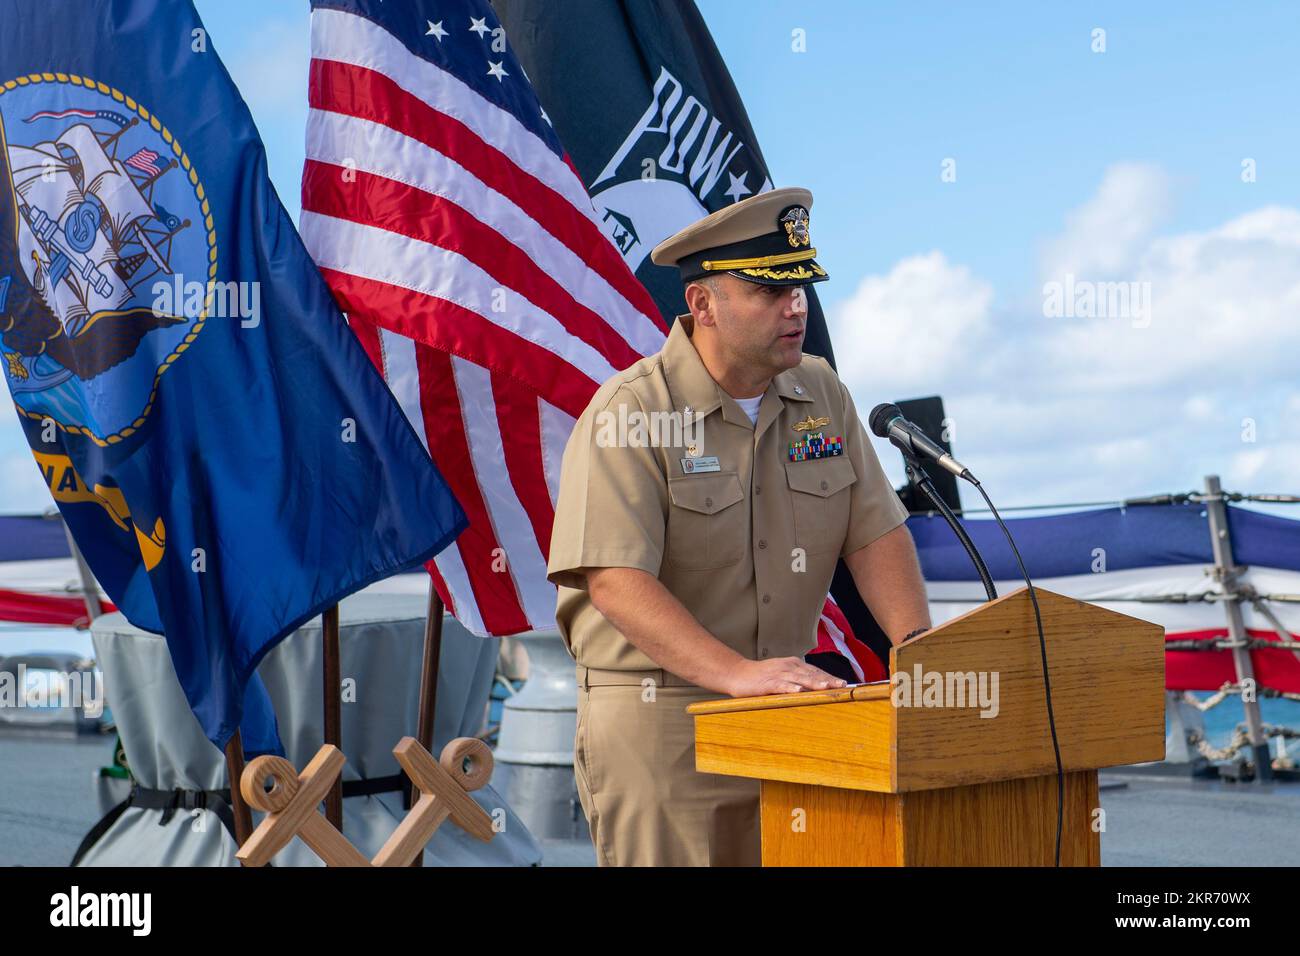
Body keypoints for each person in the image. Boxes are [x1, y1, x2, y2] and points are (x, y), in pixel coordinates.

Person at [546, 187, 932, 866]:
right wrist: (735, 675)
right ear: (704, 305)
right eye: (769, 291)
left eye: (802, 288)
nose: (797, 308)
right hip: (663, 721)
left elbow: (874, 534)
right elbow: (614, 578)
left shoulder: (822, 393)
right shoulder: (632, 411)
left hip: (789, 711)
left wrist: (920, 648)